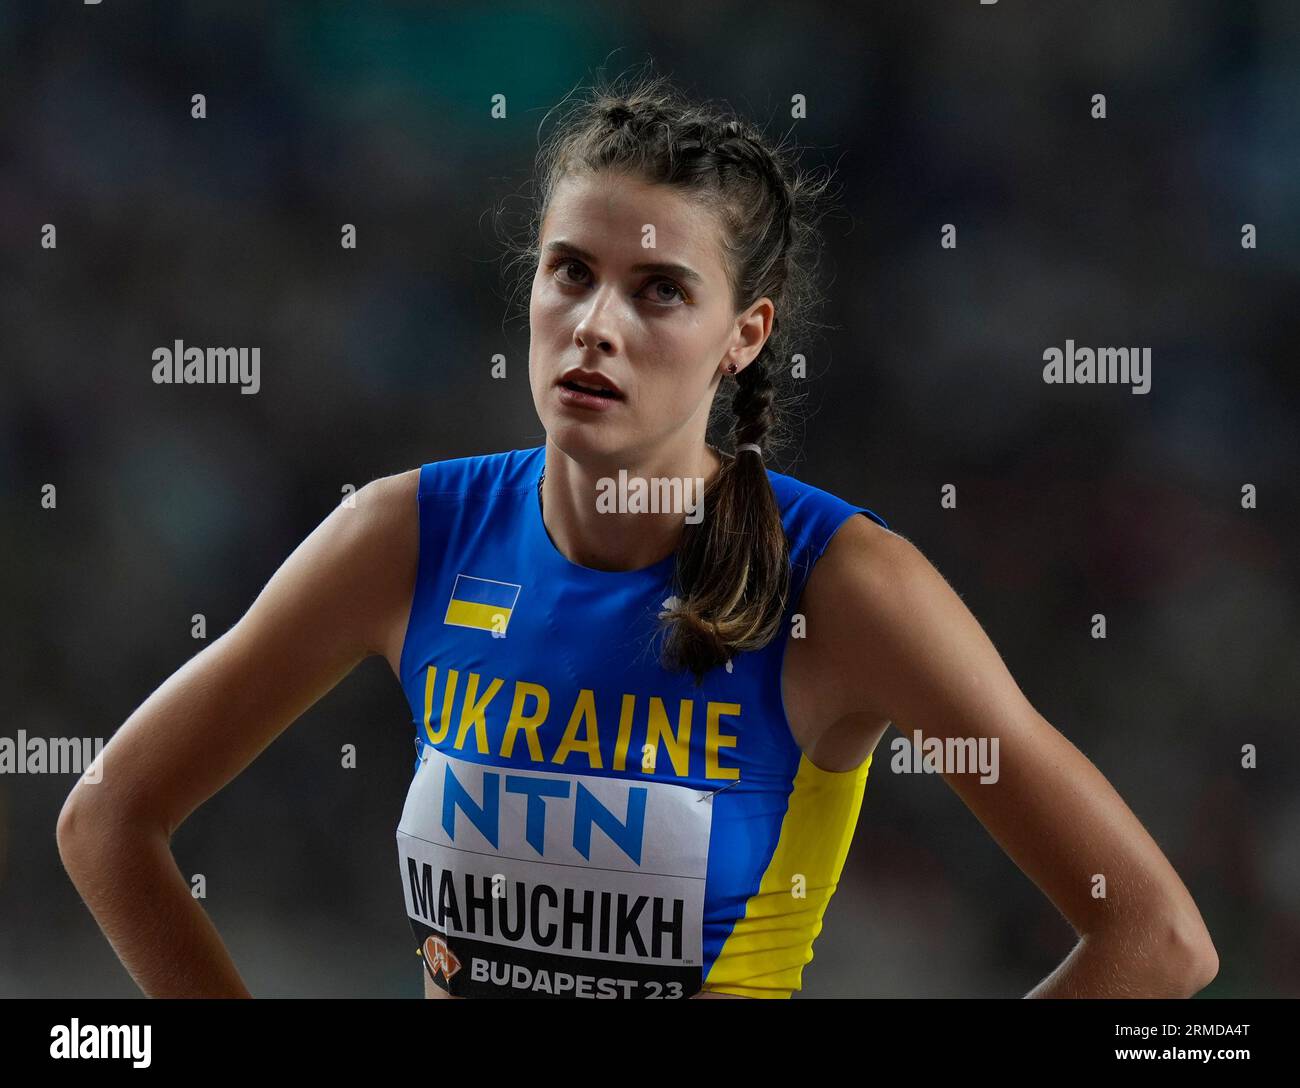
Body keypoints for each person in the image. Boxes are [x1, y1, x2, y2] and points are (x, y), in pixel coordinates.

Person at [57, 69, 1218, 1000]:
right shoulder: (403, 534)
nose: (595, 325)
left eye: (659, 289)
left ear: (742, 335)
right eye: (570, 272)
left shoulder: (846, 585)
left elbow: (1155, 940)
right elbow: (108, 815)